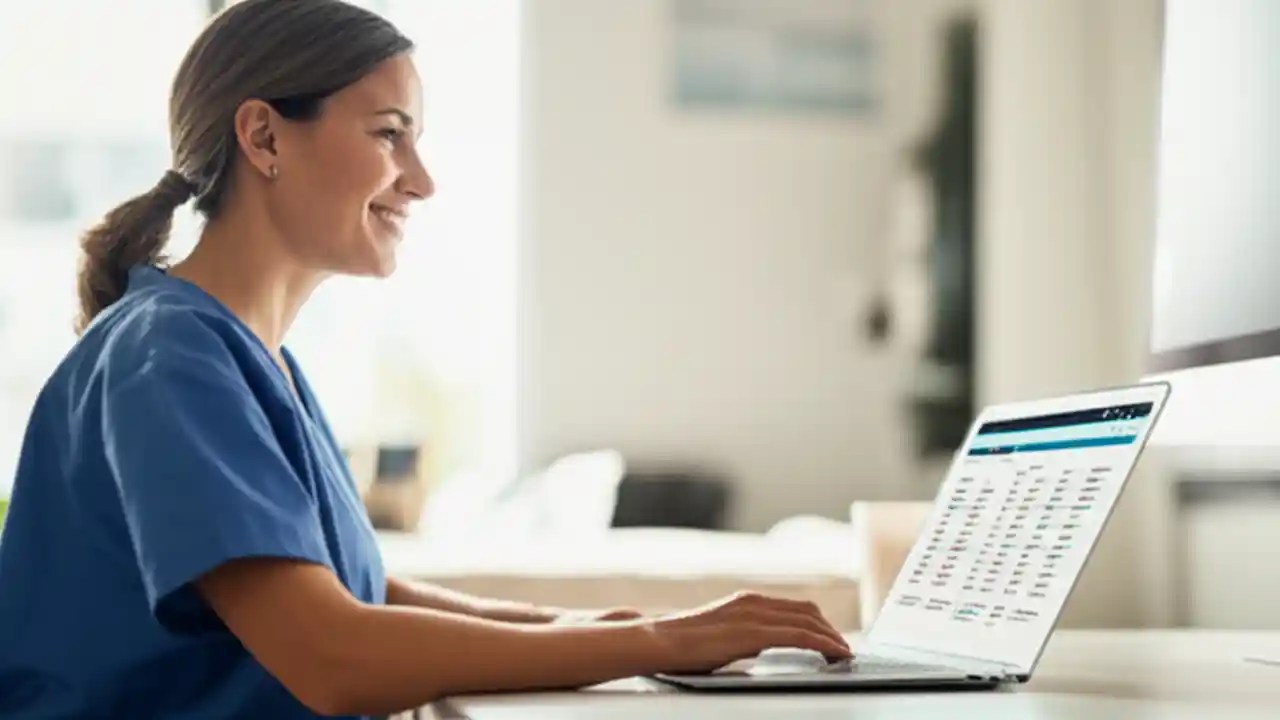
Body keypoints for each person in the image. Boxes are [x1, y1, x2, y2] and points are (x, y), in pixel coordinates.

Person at [0, 1, 851, 717]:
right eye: (389, 134)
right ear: (263, 136)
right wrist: (660, 641)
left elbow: (348, 588)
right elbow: (331, 652)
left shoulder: (246, 357)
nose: (421, 179)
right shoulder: (171, 353)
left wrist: (567, 629)